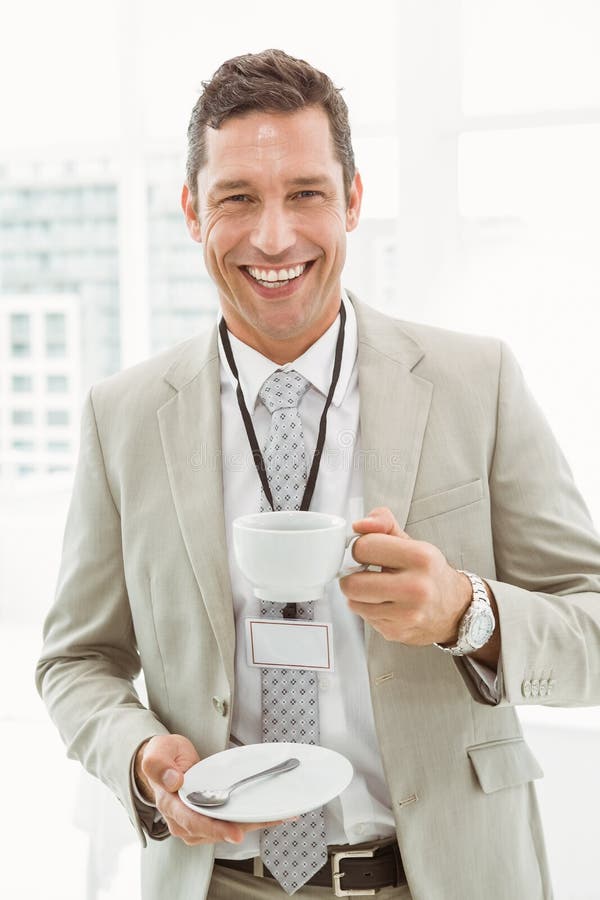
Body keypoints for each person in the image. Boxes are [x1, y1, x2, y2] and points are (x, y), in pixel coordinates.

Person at [36, 49, 600, 900]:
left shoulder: (475, 383)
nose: (273, 237)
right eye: (238, 199)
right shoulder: (121, 417)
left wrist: (464, 612)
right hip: (216, 882)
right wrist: (144, 761)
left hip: (440, 878)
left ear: (354, 202)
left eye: (306, 193)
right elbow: (76, 660)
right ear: (192, 211)